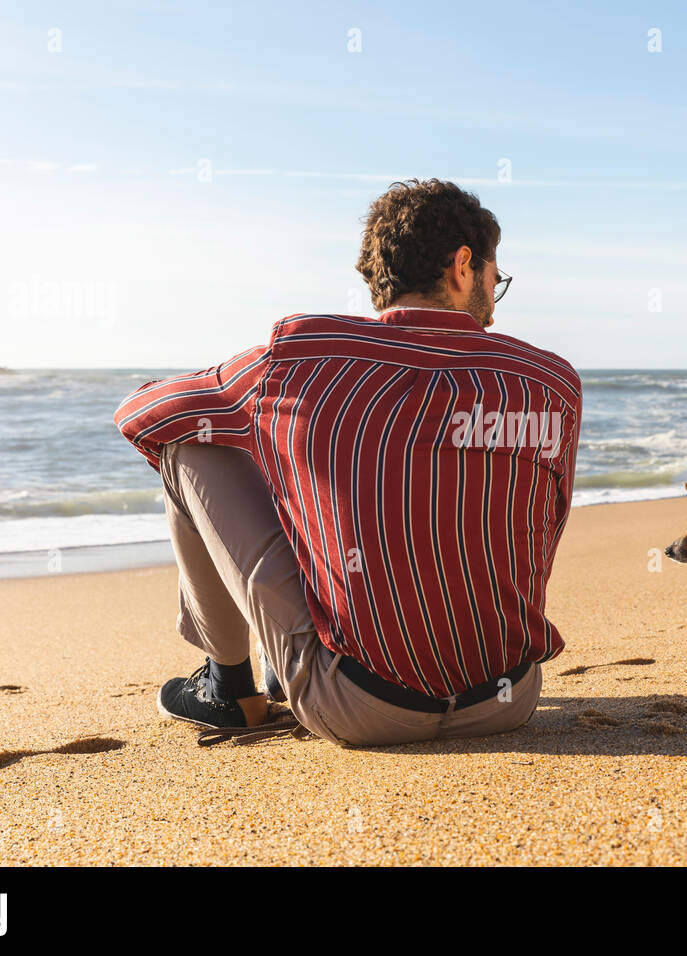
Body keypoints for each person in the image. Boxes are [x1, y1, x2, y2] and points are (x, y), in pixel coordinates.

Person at [113, 178, 582, 747]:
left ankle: (229, 685)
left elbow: (142, 413)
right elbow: (541, 531)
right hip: (509, 699)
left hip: (357, 707)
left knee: (191, 442)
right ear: (463, 265)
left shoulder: (305, 354)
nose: (492, 293)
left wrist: (277, 446)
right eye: (494, 278)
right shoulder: (550, 381)